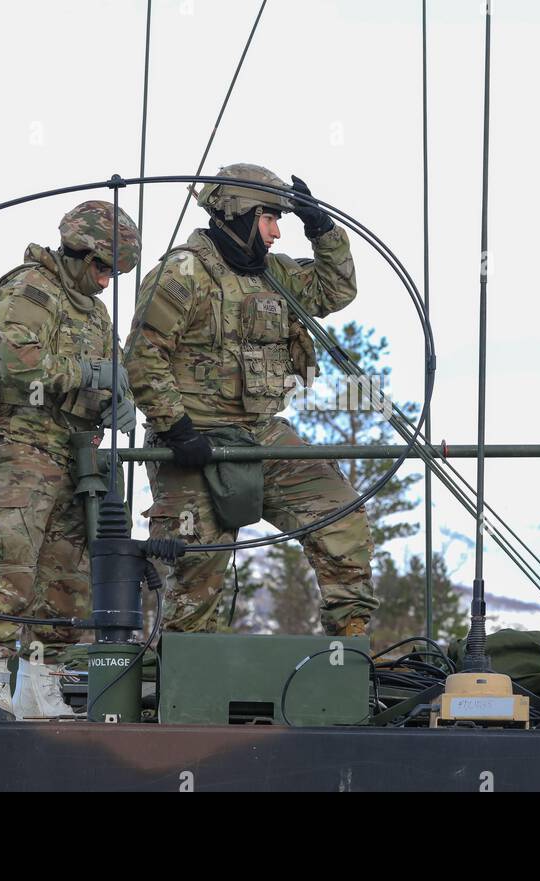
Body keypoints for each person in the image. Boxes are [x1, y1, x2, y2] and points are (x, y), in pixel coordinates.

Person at [123, 163, 376, 636]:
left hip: (261, 433)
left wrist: (321, 229)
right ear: (239, 214)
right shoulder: (183, 274)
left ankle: (350, 648)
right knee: (194, 572)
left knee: (338, 512)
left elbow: (336, 290)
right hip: (193, 439)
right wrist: (177, 430)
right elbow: (142, 357)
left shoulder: (273, 275)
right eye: (270, 219)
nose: (278, 233)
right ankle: (185, 687)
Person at [0, 200, 139, 716]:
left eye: (116, 272)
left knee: (67, 574)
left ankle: (41, 680)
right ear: (78, 252)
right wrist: (92, 374)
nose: (106, 282)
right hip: (22, 441)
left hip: (77, 451)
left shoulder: (96, 312)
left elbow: (107, 371)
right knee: (12, 552)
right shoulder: (30, 287)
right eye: (103, 267)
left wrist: (114, 400)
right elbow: (21, 366)